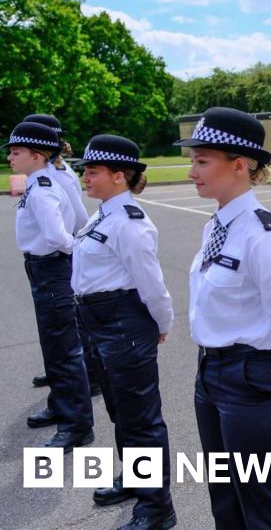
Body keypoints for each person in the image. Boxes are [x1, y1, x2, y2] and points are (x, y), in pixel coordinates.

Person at [176, 106, 271, 529]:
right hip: (211, 372)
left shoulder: (263, 233)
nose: (192, 172)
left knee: (268, 505)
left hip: (253, 379)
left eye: (202, 161)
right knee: (226, 498)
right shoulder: (216, 225)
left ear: (239, 165)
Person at [72, 135, 177, 530]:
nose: (85, 177)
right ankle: (136, 478)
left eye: (92, 171)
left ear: (119, 176)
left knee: (140, 417)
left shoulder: (130, 223)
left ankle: (156, 507)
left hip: (123, 322)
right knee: (121, 410)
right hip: (98, 320)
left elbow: (151, 282)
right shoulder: (103, 214)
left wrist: (161, 323)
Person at [5, 121, 95, 451]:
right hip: (45, 268)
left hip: (51, 269)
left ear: (37, 155)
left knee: (63, 349)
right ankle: (61, 406)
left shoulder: (42, 188)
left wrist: (76, 255)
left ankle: (76, 425)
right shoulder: (39, 182)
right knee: (55, 346)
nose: (10, 157)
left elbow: (60, 236)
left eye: (16, 152)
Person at [23, 113, 100, 395]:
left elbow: (78, 216)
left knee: (72, 323)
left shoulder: (57, 174)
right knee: (63, 326)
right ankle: (63, 372)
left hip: (63, 252)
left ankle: (87, 375)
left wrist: (79, 249)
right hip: (60, 251)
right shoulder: (48, 171)